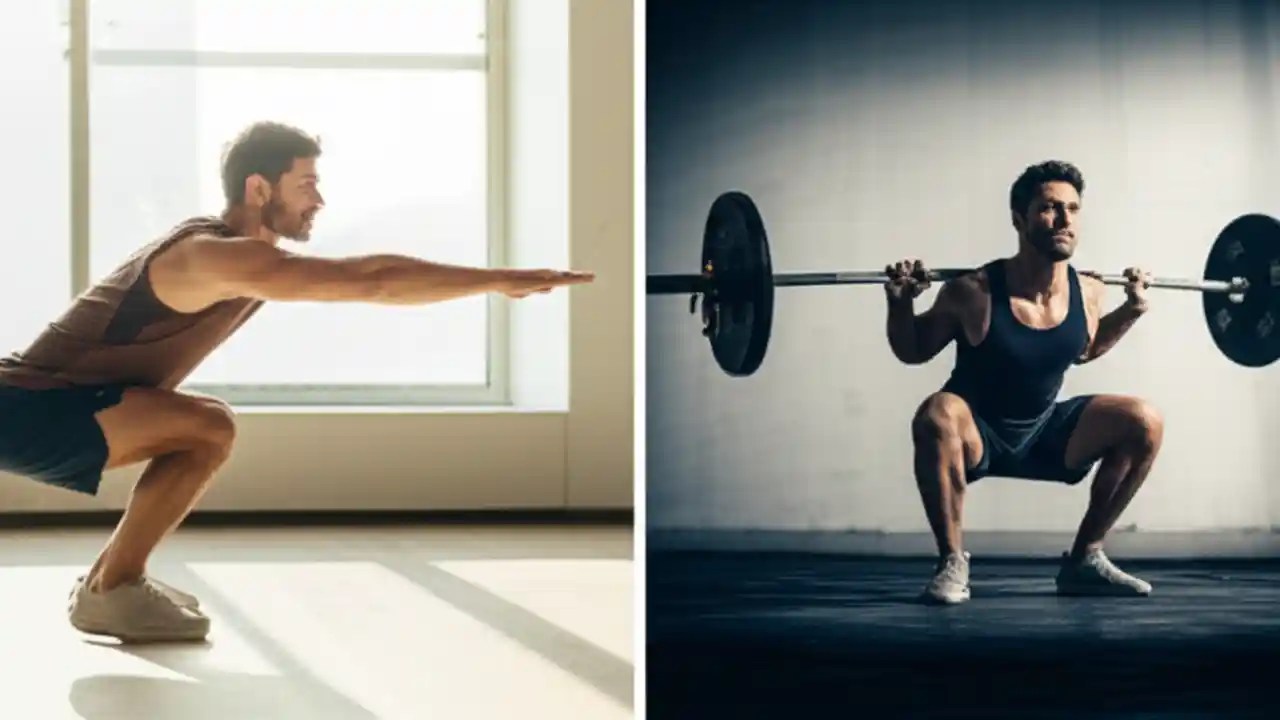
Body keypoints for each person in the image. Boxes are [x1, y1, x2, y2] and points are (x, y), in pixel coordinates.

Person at [0, 121, 594, 641]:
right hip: (25, 410)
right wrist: (500, 279)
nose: (320, 200)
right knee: (206, 427)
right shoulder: (215, 256)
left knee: (201, 424)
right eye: (306, 185)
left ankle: (110, 585)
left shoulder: (242, 257)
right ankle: (112, 588)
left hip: (50, 405)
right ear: (259, 189)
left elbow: (371, 280)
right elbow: (374, 280)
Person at [884, 160, 1163, 605]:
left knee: (1143, 421)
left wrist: (1131, 310)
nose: (1064, 219)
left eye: (1073, 208)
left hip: (1045, 430)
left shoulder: (1089, 290)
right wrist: (899, 304)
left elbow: (1084, 347)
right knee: (936, 413)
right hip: (978, 431)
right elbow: (912, 350)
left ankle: (1085, 559)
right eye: (1050, 208)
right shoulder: (972, 291)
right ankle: (952, 561)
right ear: (1019, 218)